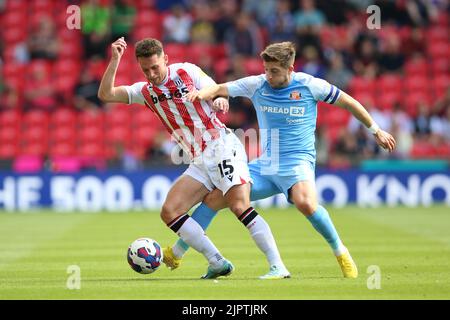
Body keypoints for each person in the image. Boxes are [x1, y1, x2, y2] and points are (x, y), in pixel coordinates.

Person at [164, 41, 397, 278]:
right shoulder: (257, 84)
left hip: (298, 162)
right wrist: (202, 93)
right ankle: (178, 252)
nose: (268, 76)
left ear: (290, 68)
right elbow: (219, 88)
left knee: (305, 203)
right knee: (216, 198)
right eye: (266, 69)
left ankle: (340, 251)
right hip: (266, 165)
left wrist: (376, 130)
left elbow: (349, 102)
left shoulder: (310, 85)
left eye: (274, 71)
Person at [98, 37, 289, 279]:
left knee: (240, 205)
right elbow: (106, 94)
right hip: (198, 160)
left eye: (155, 67)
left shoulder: (186, 72)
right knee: (170, 211)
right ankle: (217, 262)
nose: (152, 74)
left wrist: (220, 99)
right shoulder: (145, 91)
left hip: (221, 147)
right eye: (145, 69)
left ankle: (277, 266)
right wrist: (115, 59)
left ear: (165, 59)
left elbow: (214, 88)